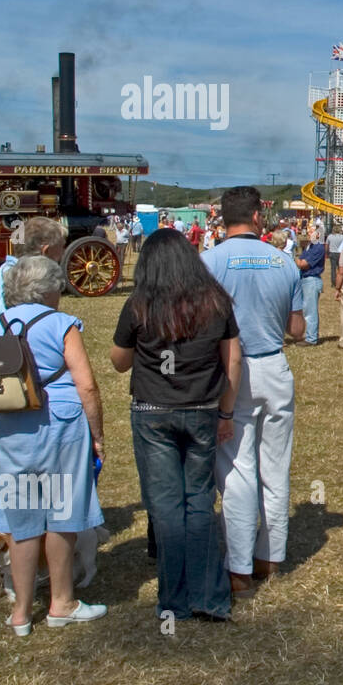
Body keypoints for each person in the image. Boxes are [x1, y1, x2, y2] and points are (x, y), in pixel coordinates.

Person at [0, 256, 107, 634]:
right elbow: (87, 385)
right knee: (61, 516)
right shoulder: (62, 324)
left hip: (11, 427)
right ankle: (61, 603)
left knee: (20, 519)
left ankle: (20, 612)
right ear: (48, 288)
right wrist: (97, 436)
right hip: (61, 425)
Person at [110, 229, 239, 621]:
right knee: (199, 500)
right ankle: (210, 597)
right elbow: (233, 361)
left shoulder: (139, 305)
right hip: (201, 408)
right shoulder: (215, 302)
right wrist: (227, 413)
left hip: (152, 411)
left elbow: (119, 361)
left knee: (166, 506)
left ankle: (175, 600)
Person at [200, 185, 305, 596]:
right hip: (274, 365)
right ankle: (270, 556)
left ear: (222, 217)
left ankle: (238, 568)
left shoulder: (207, 263)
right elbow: (297, 330)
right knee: (275, 467)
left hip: (231, 370)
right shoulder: (284, 262)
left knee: (237, 469)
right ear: (259, 216)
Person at [0, 216, 67, 337]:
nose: (63, 252)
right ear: (46, 251)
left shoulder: (13, 272)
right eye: (62, 246)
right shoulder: (10, 278)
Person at [295, 233, 326, 345]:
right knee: (306, 309)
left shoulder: (318, 247)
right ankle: (309, 335)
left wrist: (296, 259)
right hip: (306, 279)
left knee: (310, 310)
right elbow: (301, 259)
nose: (308, 234)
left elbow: (303, 264)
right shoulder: (310, 246)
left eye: (311, 231)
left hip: (312, 280)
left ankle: (311, 338)